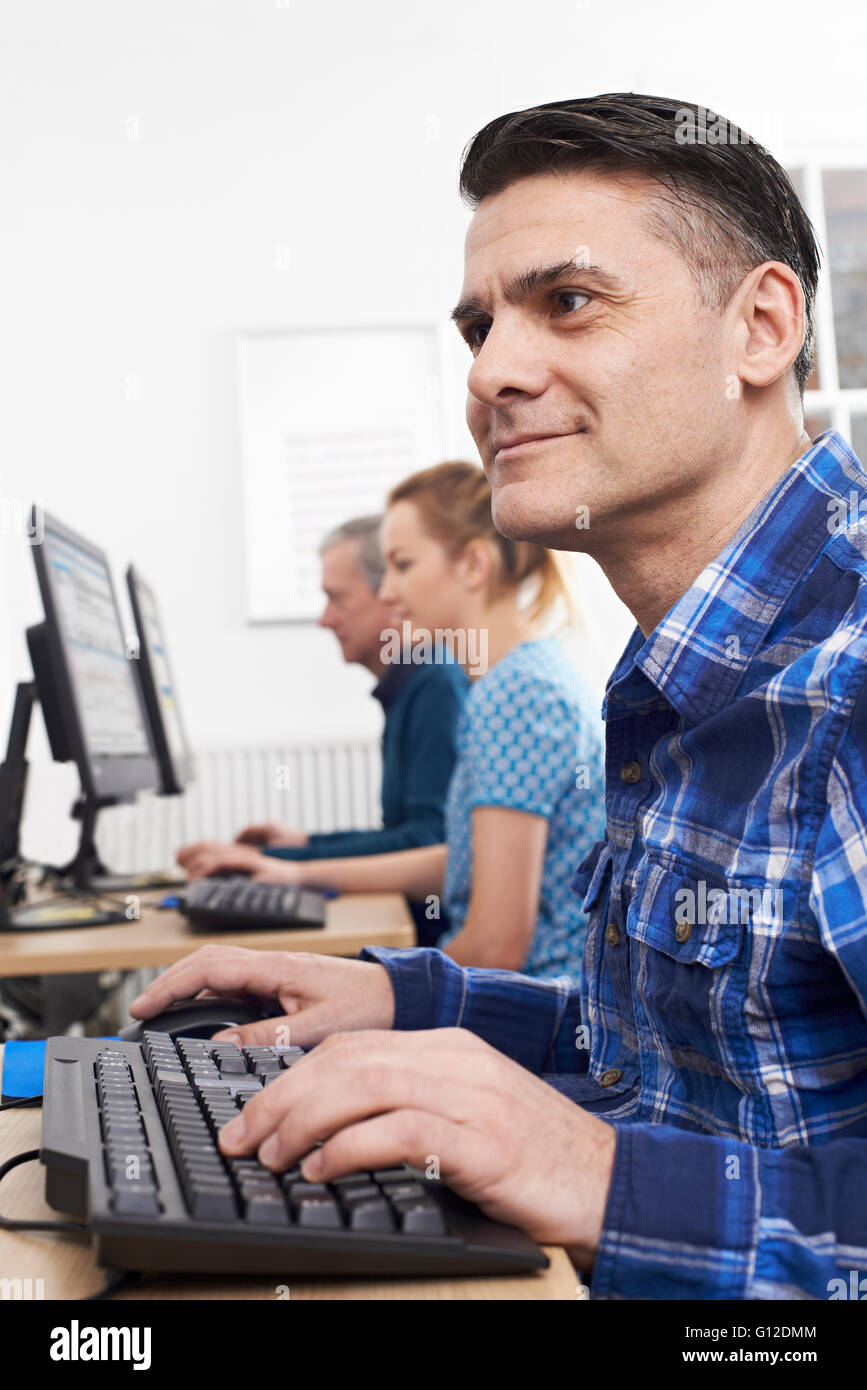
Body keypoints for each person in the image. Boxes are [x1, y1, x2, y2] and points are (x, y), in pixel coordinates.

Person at [132, 92, 867, 1298]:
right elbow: (688, 1065)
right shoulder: (683, 671)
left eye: (566, 302)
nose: (492, 373)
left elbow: (631, 1133)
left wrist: (596, 1171)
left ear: (762, 326)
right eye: (478, 326)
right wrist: (414, 998)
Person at [182, 462, 606, 980]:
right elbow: (465, 858)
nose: (386, 592)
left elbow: (495, 949)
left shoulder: (517, 695)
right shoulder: (516, 678)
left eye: (402, 566)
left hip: (536, 1012)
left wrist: (360, 985)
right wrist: (295, 873)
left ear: (473, 565)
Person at [177, 515, 468, 942]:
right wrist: (301, 842)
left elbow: (430, 840)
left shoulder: (437, 685)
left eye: (337, 599)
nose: (324, 619)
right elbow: (408, 836)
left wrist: (269, 859)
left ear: (389, 595)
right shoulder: (412, 685)